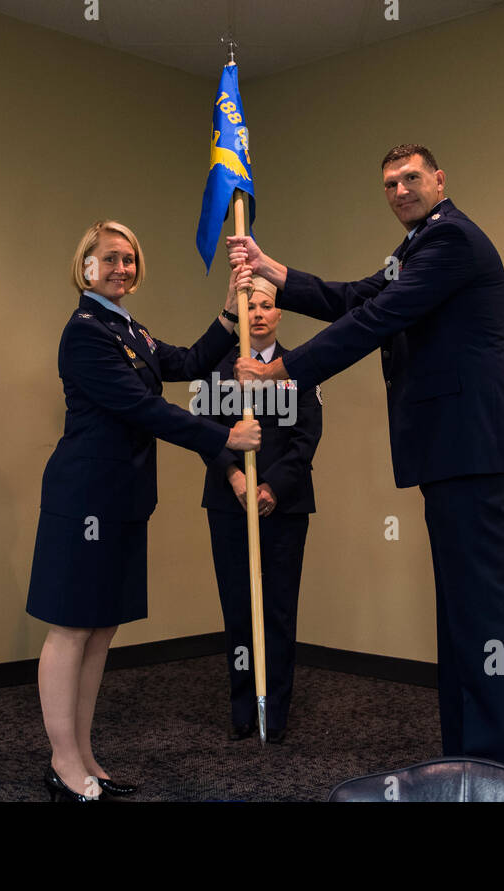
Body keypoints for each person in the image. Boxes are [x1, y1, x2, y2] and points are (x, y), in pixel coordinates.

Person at [228, 145, 504, 769]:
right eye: (389, 183)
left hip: (466, 444)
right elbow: (357, 297)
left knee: (478, 610)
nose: (399, 190)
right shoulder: (418, 245)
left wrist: (282, 369)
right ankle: (466, 755)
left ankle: (494, 763)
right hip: (449, 448)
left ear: (440, 179)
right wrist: (271, 268)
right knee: (460, 611)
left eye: (411, 178)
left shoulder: (450, 241)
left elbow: (378, 318)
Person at [26, 219, 260, 801]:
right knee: (72, 626)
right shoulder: (85, 331)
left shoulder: (127, 329)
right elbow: (142, 408)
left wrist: (230, 314)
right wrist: (223, 438)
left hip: (123, 498)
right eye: (109, 258)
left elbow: (187, 361)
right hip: (84, 498)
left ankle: (84, 757)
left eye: (129, 259)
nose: (121, 268)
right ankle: (62, 762)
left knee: (101, 629)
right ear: (84, 266)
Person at [198, 276, 322, 744]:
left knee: (278, 611)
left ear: (280, 313)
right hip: (229, 503)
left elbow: (307, 438)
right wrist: (235, 477)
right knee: (238, 608)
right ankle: (242, 709)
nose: (259, 315)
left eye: (268, 306)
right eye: (251, 307)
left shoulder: (298, 368)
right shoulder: (218, 367)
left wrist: (272, 487)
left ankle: (277, 711)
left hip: (284, 506)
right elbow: (205, 432)